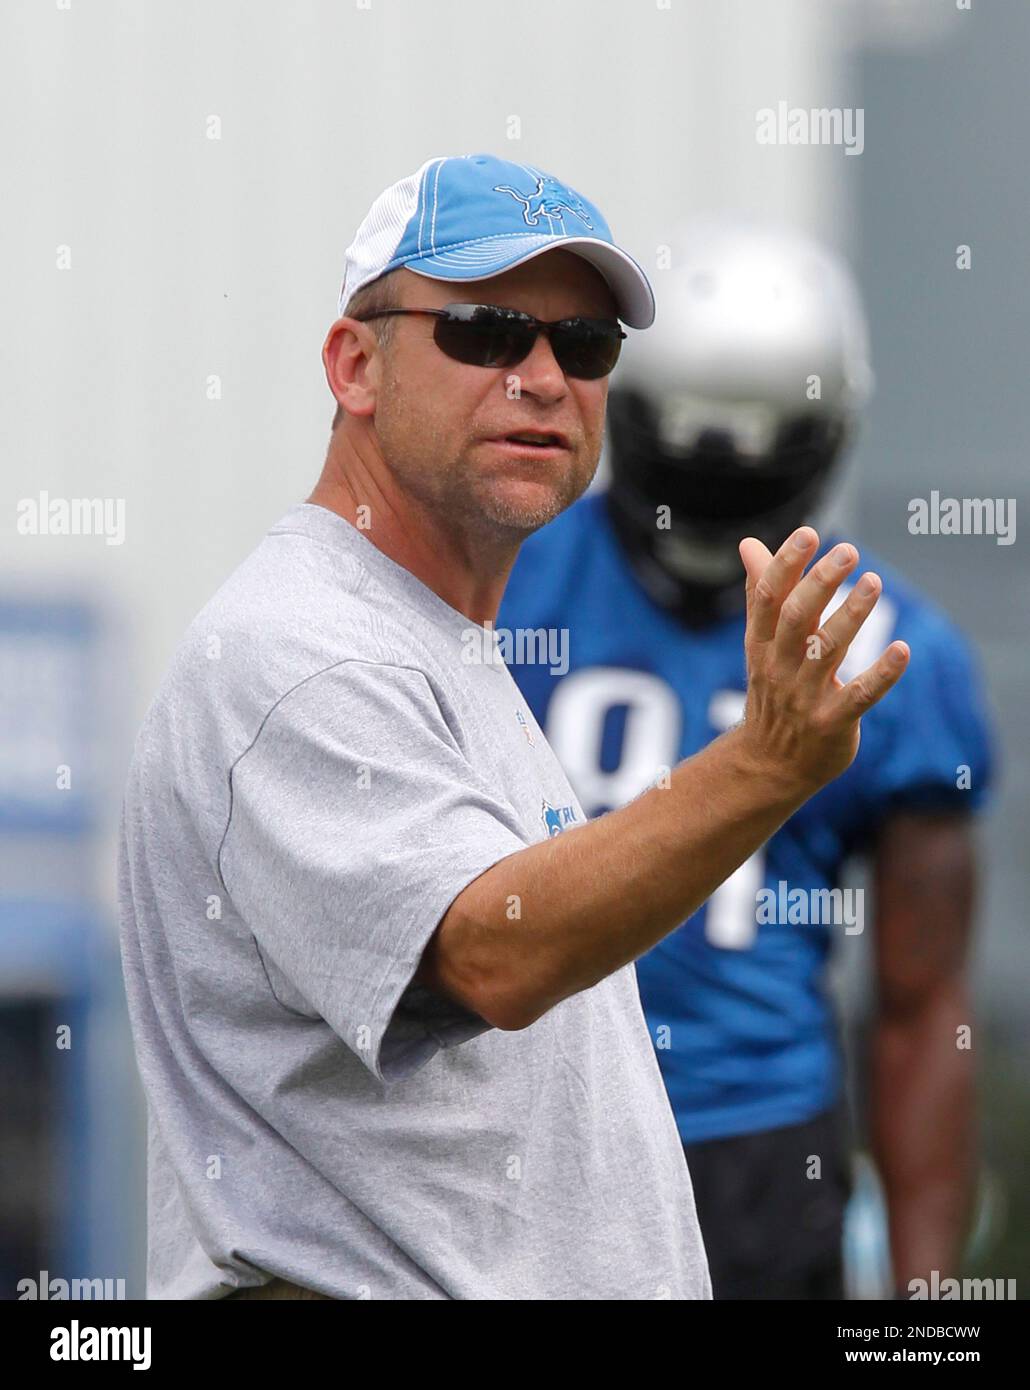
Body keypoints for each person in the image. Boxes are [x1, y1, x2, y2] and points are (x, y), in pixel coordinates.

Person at [118, 159, 908, 1300]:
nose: (542, 377)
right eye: (485, 332)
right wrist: (765, 765)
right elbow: (497, 952)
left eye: (584, 344)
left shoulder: (436, 637)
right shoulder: (301, 650)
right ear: (355, 365)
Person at [498, 219, 993, 1299]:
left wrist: (923, 1306)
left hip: (754, 1162)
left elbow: (921, 1008)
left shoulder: (895, 652)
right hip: (514, 1130)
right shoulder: (499, 586)